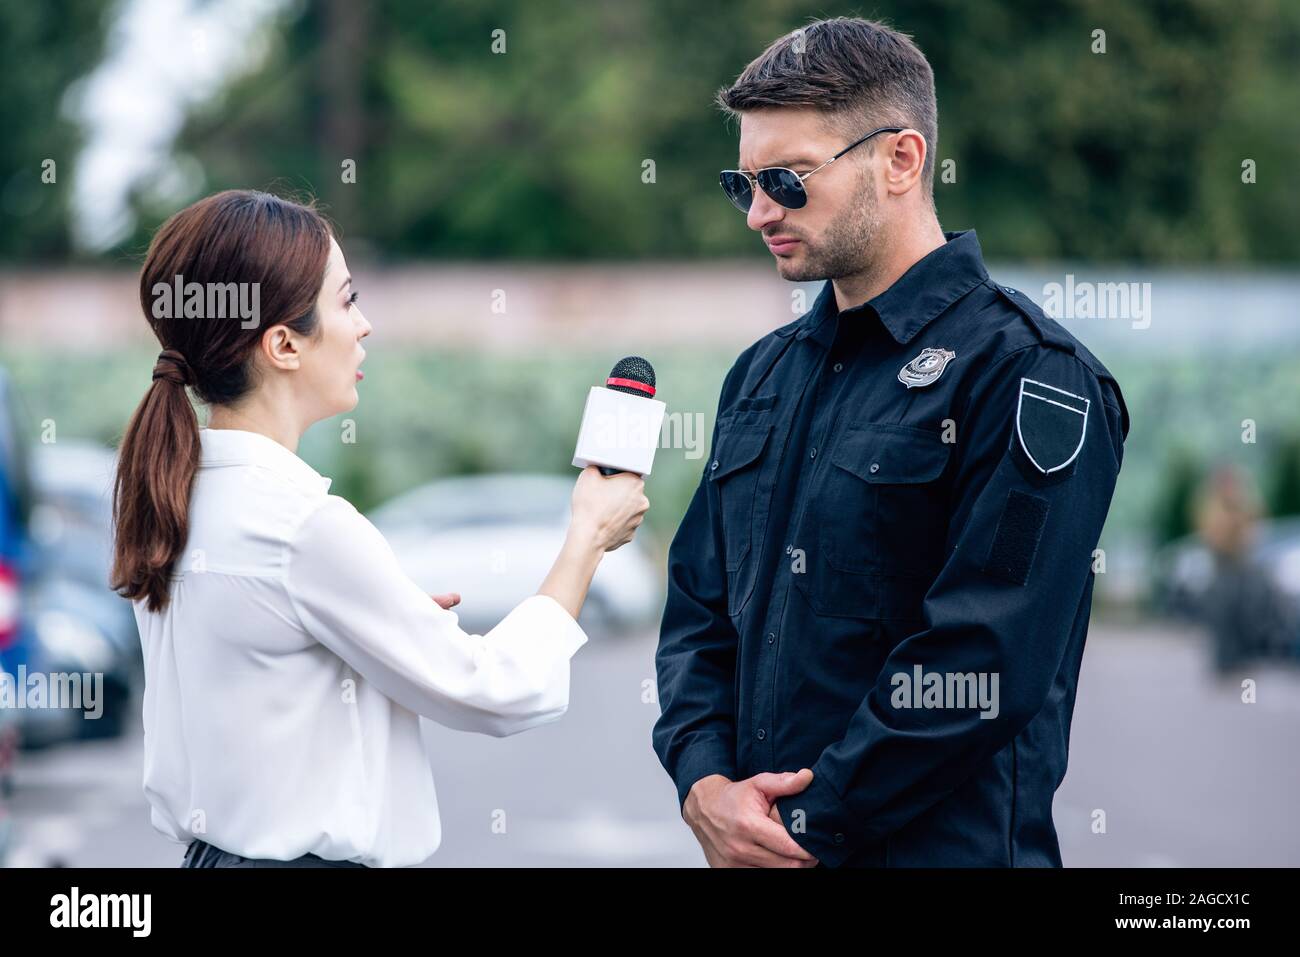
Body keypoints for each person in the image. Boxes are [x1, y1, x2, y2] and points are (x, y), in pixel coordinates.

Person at [652, 17, 1129, 867]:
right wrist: (704, 784)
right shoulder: (762, 375)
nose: (760, 212)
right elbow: (697, 611)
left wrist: (804, 824)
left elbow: (983, 659)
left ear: (901, 161)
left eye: (788, 180)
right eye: (743, 183)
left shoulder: (1028, 376)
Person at [110, 189, 648, 868]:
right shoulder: (302, 525)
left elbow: (254, 667)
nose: (364, 325)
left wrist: (367, 625)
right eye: (347, 300)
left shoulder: (174, 493)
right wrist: (588, 538)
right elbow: (495, 690)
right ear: (282, 343)